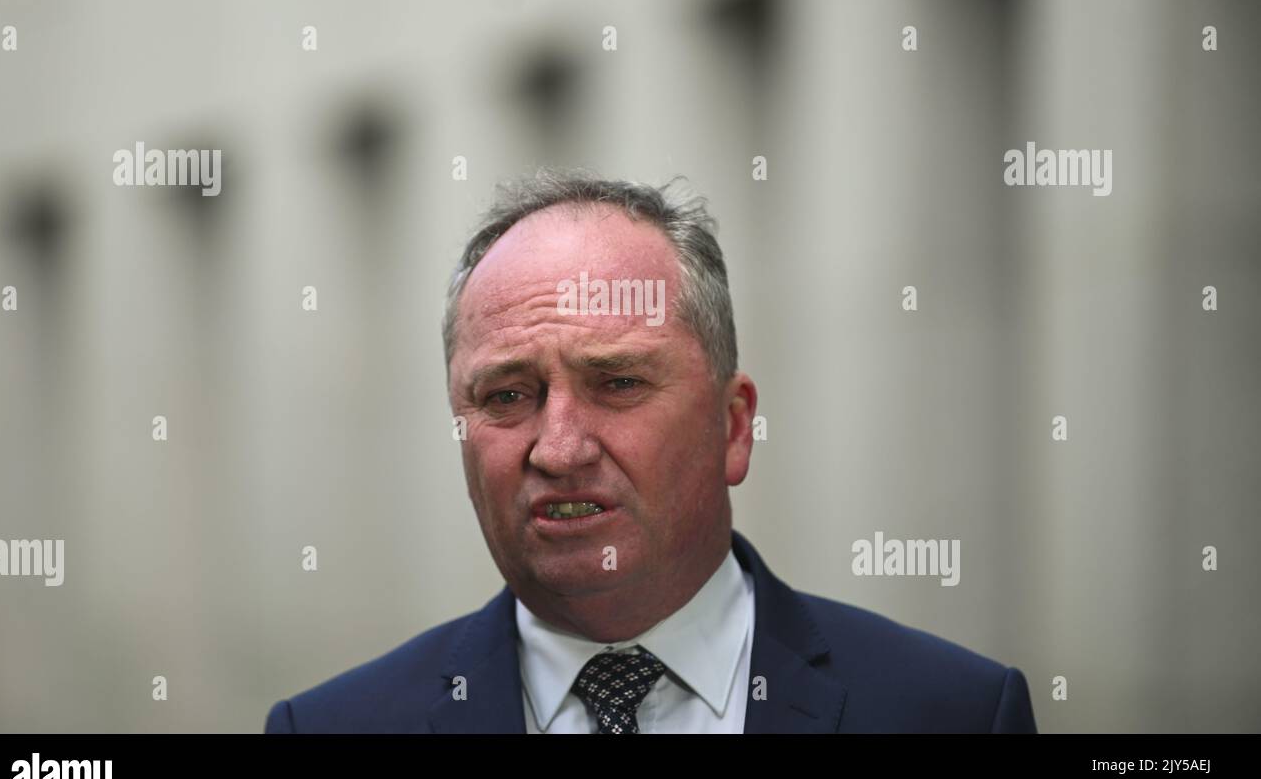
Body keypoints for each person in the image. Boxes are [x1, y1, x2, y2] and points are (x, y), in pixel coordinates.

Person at [264, 169, 1037, 733]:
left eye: (619, 383)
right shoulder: (332, 727)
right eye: (507, 396)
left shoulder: (954, 714)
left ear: (734, 427)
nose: (559, 448)